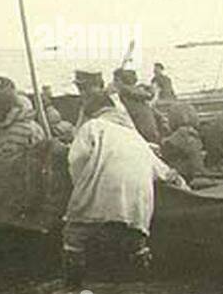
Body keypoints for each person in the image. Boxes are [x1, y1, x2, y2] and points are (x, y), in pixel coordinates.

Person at [63, 90, 187, 278]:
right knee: (134, 248)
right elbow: (166, 173)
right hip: (136, 211)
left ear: (91, 111)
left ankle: (75, 289)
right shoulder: (134, 137)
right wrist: (186, 189)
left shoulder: (92, 126)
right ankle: (138, 281)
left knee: (74, 240)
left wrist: (81, 187)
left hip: (97, 203)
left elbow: (76, 159)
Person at [111, 67, 163, 144]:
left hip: (142, 134)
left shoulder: (125, 92)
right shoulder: (136, 94)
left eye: (116, 80)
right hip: (148, 132)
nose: (114, 82)